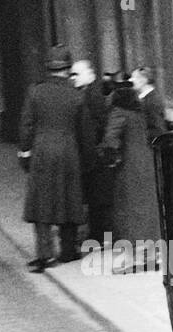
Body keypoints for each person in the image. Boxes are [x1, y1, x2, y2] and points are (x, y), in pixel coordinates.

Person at [18, 45, 88, 272]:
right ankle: (68, 251)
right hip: (69, 152)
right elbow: (84, 132)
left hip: (42, 151)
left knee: (41, 203)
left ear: (48, 68)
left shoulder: (35, 92)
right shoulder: (76, 95)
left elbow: (27, 125)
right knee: (69, 199)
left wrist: (25, 151)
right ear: (67, 69)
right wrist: (88, 159)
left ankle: (44, 255)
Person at [100, 81, 162, 267]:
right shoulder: (140, 112)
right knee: (149, 210)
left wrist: (110, 158)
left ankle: (134, 257)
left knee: (129, 211)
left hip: (129, 168)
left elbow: (111, 140)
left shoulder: (119, 112)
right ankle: (154, 254)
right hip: (146, 165)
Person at [71, 60, 112, 246]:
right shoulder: (83, 94)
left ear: (90, 75)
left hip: (93, 156)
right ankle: (95, 235)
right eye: (72, 74)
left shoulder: (93, 96)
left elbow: (100, 124)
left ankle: (99, 237)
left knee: (96, 199)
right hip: (88, 154)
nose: (73, 78)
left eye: (76, 74)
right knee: (93, 198)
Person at [130, 66, 168, 143]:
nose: (130, 80)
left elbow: (157, 127)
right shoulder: (144, 98)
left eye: (134, 77)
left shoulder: (152, 100)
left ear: (143, 80)